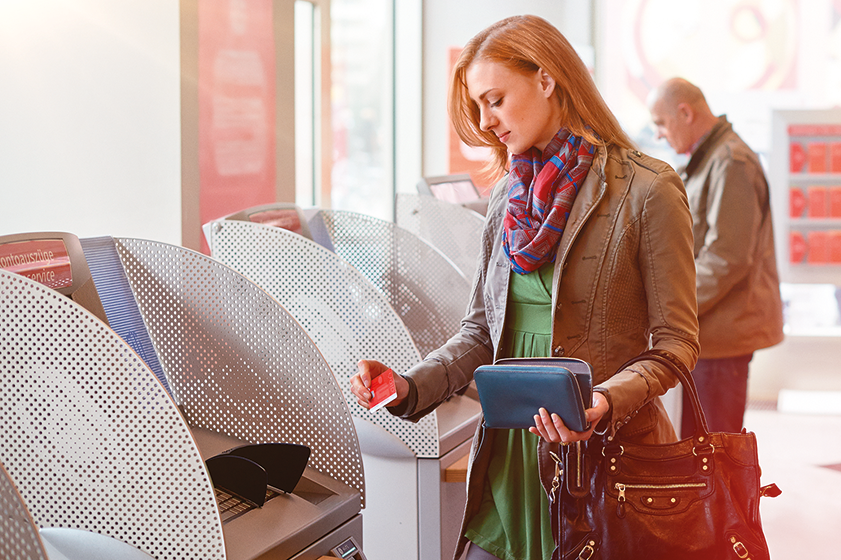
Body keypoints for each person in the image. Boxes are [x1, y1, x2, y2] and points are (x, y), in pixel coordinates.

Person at [351, 15, 699, 560]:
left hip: (603, 463)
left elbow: (676, 345)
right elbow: (480, 332)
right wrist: (408, 386)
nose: (487, 122)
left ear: (546, 78)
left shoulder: (648, 190)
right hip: (509, 457)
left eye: (494, 100)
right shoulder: (509, 198)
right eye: (478, 107)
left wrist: (603, 401)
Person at [647, 78, 784, 438]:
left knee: (716, 452)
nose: (660, 135)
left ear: (685, 112)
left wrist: (673, 309)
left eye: (661, 123)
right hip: (710, 330)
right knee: (701, 447)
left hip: (723, 335)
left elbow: (728, 257)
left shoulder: (731, 161)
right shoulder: (712, 159)